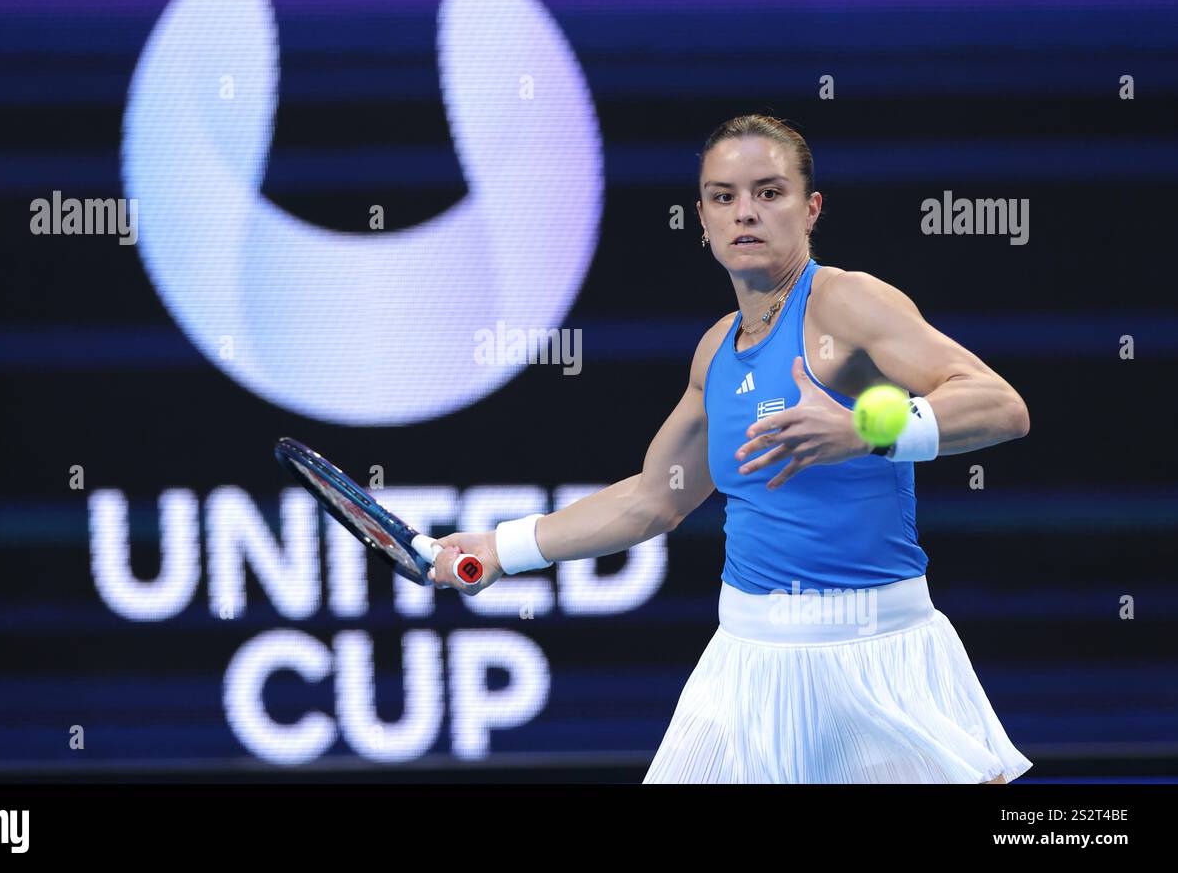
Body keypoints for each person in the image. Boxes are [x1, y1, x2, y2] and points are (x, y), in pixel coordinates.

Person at [429, 114, 1033, 784]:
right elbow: (653, 499)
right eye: (724, 196)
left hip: (877, 654)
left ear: (811, 210)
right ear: (703, 217)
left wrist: (868, 428)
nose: (745, 211)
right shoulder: (716, 350)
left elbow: (1000, 405)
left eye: (769, 193)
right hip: (746, 666)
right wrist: (502, 548)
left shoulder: (849, 302)